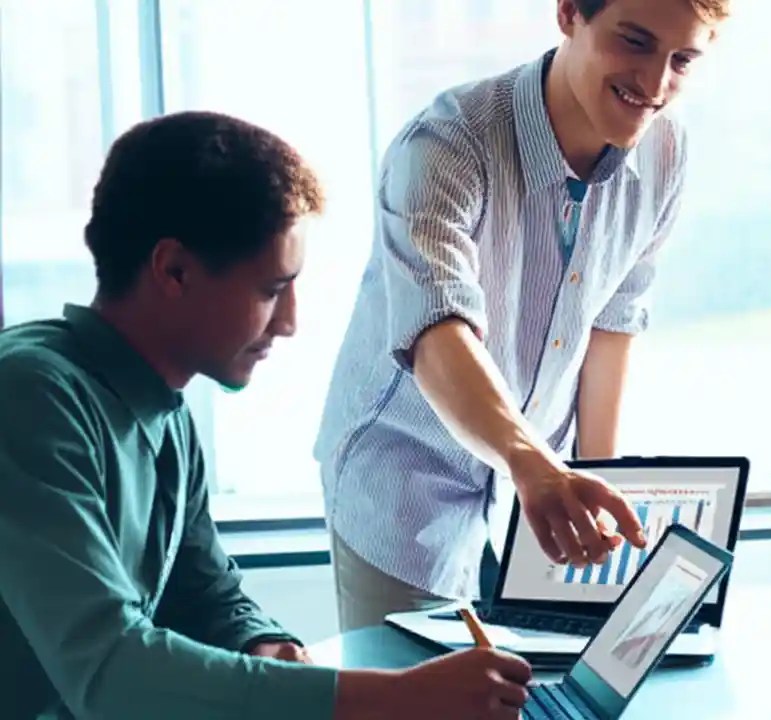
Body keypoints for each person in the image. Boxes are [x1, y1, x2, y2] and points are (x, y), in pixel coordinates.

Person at [0, 111, 531, 719]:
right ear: (173, 270)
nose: (289, 322)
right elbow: (109, 670)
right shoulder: (30, 396)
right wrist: (397, 697)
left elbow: (207, 593)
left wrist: (264, 643)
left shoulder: (164, 409)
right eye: (272, 290)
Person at [314, 0, 731, 630]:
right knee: (416, 683)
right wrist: (532, 464)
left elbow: (613, 323)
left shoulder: (666, 152)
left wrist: (594, 487)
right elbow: (438, 331)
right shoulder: (447, 143)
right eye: (635, 42)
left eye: (683, 60)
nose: (654, 83)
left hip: (536, 488)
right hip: (404, 487)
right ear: (569, 13)